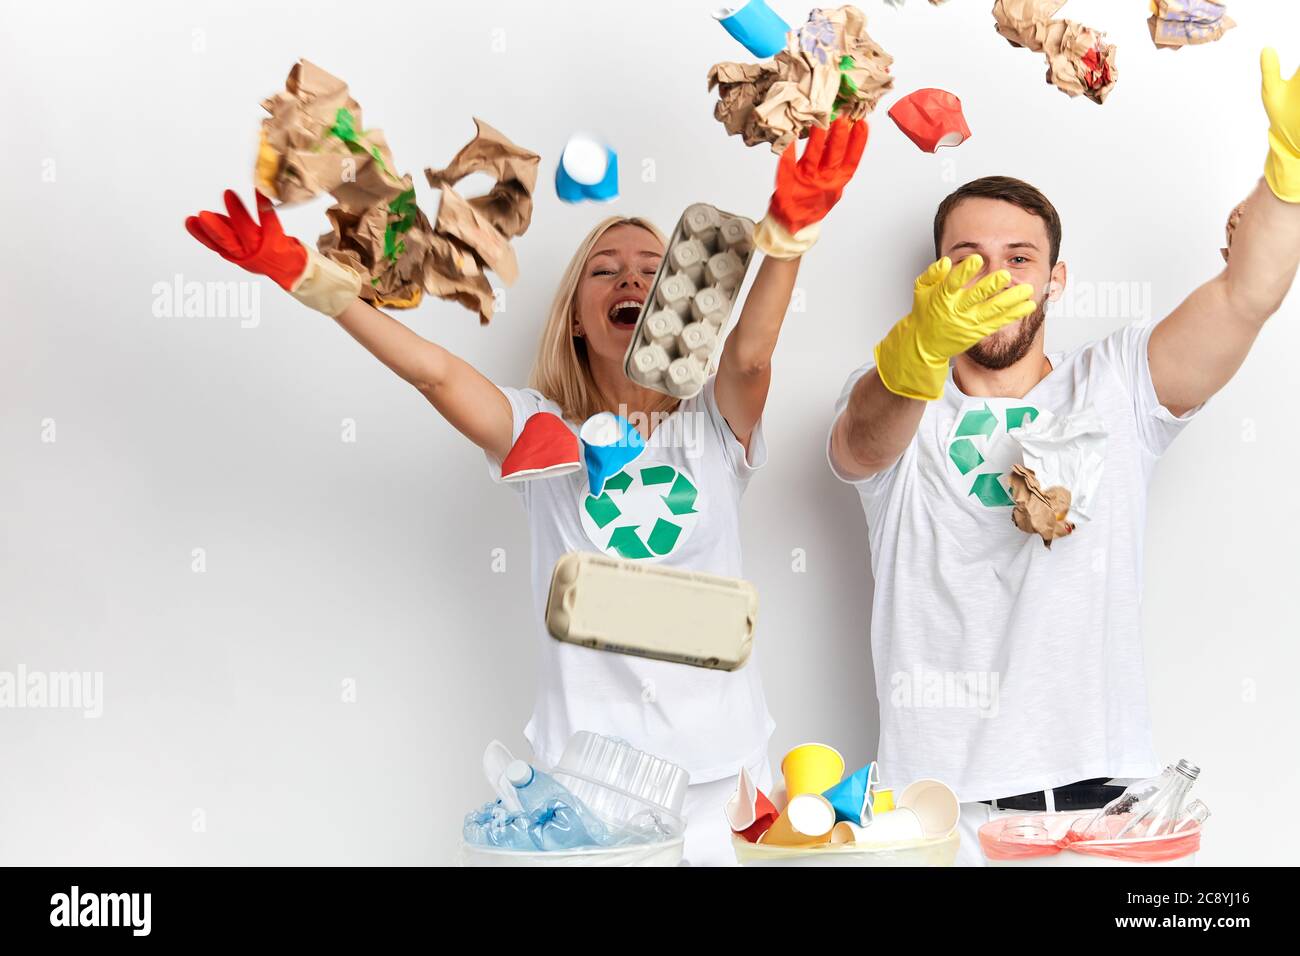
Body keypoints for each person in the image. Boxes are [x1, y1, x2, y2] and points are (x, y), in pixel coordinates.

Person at [187, 118, 868, 865]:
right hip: (587, 793)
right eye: (606, 270)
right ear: (577, 319)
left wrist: (788, 237)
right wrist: (308, 278)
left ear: (687, 303)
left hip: (724, 781)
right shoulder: (538, 434)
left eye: (653, 267)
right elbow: (434, 373)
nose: (634, 280)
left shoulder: (713, 428)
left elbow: (749, 355)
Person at [827, 50, 1300, 865]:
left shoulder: (1114, 387)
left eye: (1019, 258)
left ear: (1057, 280)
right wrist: (918, 353)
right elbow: (862, 441)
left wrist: (1287, 175)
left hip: (1098, 811)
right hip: (934, 816)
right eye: (966, 258)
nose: (992, 277)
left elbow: (1245, 296)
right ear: (934, 277)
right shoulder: (901, 400)